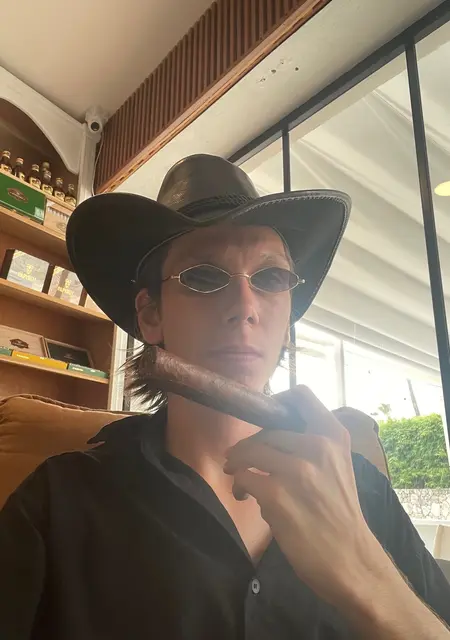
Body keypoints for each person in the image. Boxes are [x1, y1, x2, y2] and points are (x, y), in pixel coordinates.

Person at [1, 154, 449, 639]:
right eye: (203, 276)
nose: (245, 306)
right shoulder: (58, 502)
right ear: (151, 315)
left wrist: (364, 573)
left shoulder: (360, 489)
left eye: (271, 278)